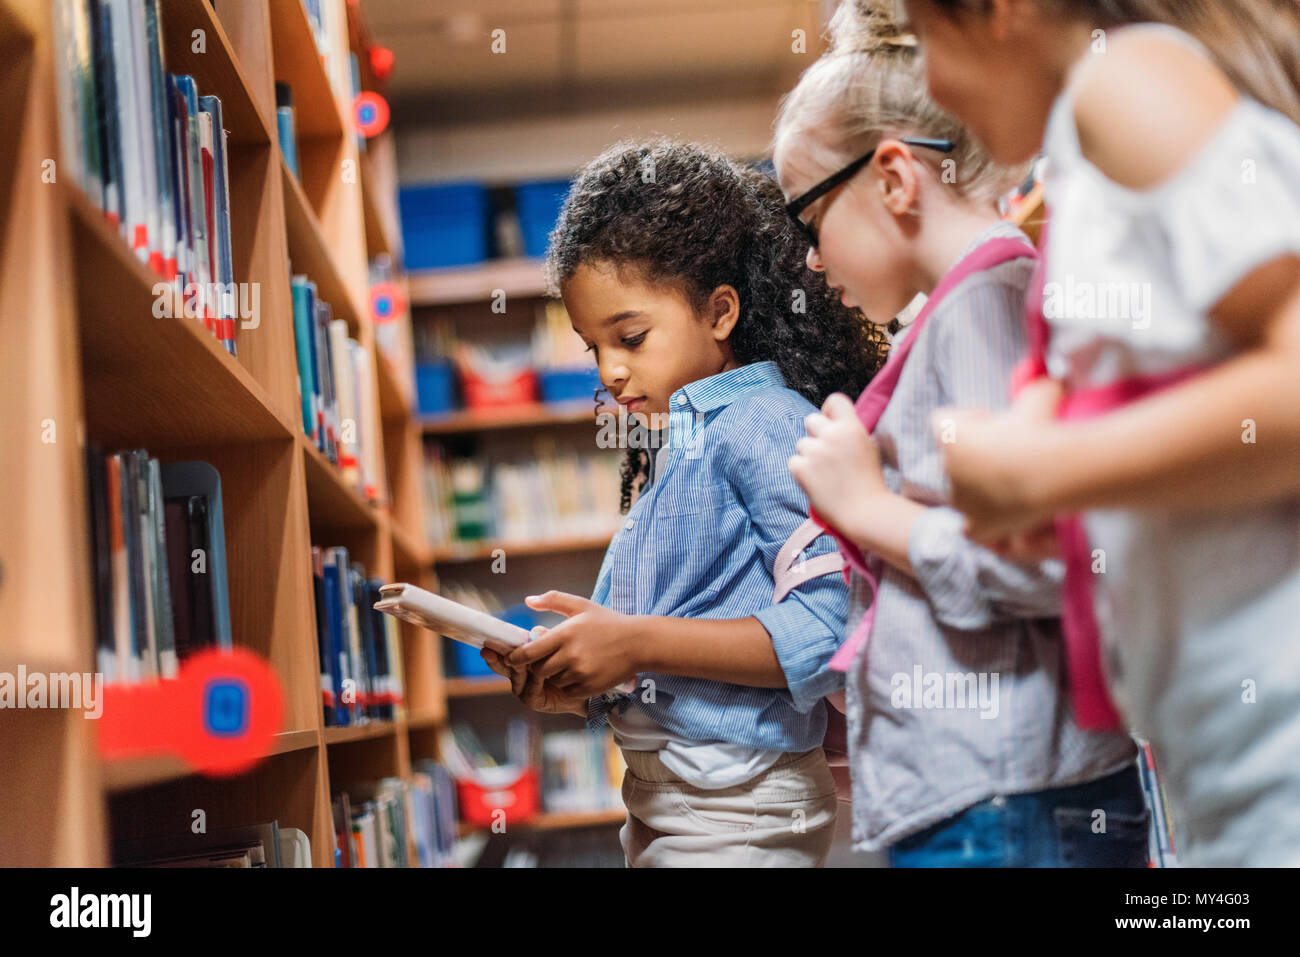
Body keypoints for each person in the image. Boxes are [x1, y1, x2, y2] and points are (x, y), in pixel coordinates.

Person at [903, 0, 1300, 864]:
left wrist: (1048, 471)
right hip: (1223, 769)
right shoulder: (1096, 138)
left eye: (923, 35)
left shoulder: (1123, 81)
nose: (927, 83)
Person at [773, 0, 1144, 866]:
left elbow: (1041, 559)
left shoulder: (982, 305)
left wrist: (866, 506)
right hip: (993, 796)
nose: (811, 260)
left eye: (809, 219)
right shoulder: (961, 309)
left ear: (896, 180)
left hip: (1009, 800)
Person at [485, 139, 887, 866]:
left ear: (720, 312)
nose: (609, 370)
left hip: (736, 803)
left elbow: (830, 630)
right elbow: (673, 652)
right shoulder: (677, 443)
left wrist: (635, 642)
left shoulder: (764, 421)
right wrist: (577, 681)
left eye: (630, 336)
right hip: (672, 797)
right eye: (591, 347)